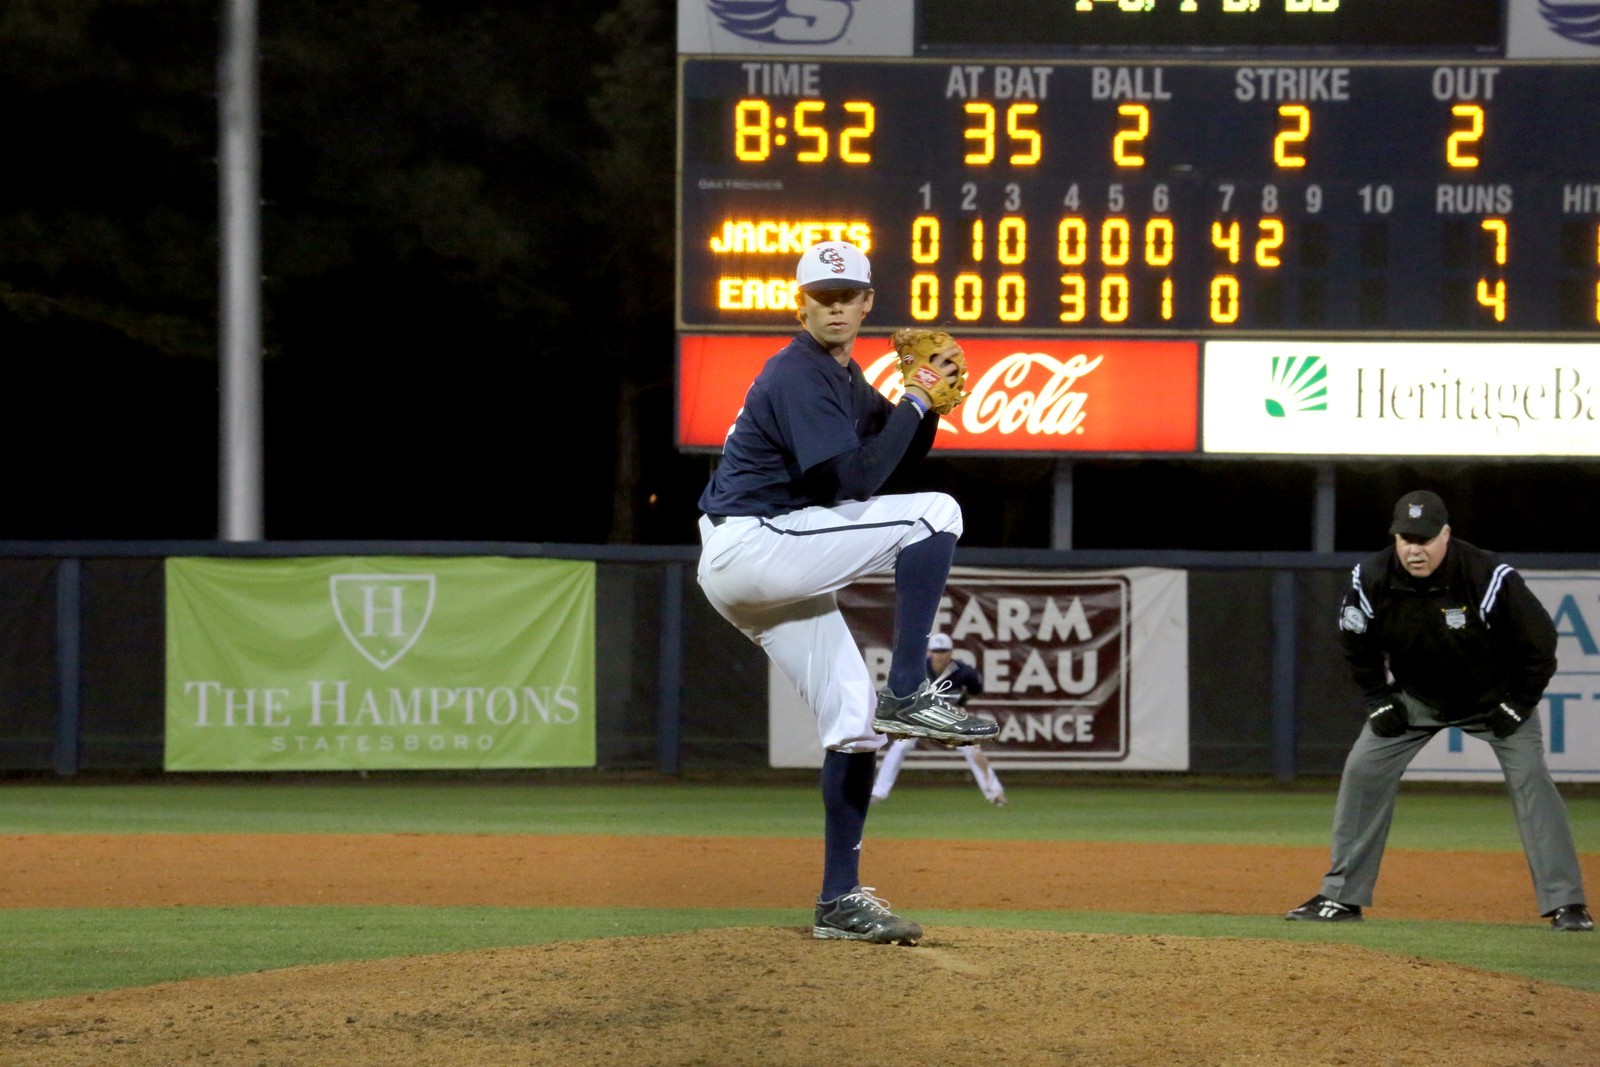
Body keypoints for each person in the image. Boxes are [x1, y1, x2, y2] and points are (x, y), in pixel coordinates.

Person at [695, 239, 998, 947]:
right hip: (755, 543)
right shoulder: (797, 373)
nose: (835, 306)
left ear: (867, 302)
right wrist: (917, 395)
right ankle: (909, 687)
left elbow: (887, 457)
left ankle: (839, 899)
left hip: (760, 565)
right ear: (800, 303)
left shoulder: (844, 374)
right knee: (938, 513)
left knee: (853, 722)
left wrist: (923, 409)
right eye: (822, 296)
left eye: (848, 294)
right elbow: (853, 483)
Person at [1286, 489, 1592, 932]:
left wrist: (1520, 701)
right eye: (1406, 538)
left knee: (1533, 785)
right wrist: (1377, 697)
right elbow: (1356, 644)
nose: (1415, 548)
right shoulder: (1370, 576)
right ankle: (1340, 898)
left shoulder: (1487, 574)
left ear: (1446, 534)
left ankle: (1568, 903)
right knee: (1363, 771)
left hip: (1495, 700)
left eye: (1425, 538)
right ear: (1394, 538)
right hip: (1418, 698)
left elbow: (1540, 645)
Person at [871, 633, 1007, 806]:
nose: (940, 655)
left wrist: (962, 701)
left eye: (944, 651)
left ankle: (995, 794)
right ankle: (879, 792)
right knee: (902, 744)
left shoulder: (962, 671)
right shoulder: (918, 670)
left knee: (972, 748)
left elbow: (976, 686)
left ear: (951, 653)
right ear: (929, 653)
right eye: (936, 651)